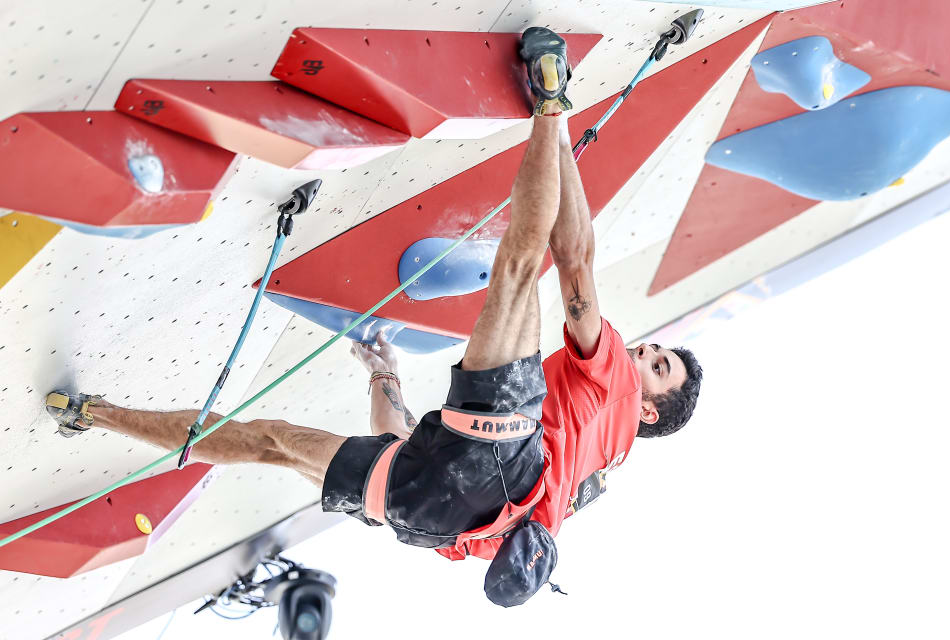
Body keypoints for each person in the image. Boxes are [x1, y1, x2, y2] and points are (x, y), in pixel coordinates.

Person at [45, 27, 702, 586]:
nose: (646, 350)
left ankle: (547, 98)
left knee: (519, 272)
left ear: (649, 408)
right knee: (271, 445)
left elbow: (578, 268)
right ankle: (87, 413)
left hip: (498, 464)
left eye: (660, 365)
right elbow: (415, 452)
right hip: (434, 519)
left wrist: (562, 132)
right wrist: (383, 375)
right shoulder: (589, 479)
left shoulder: (613, 384)